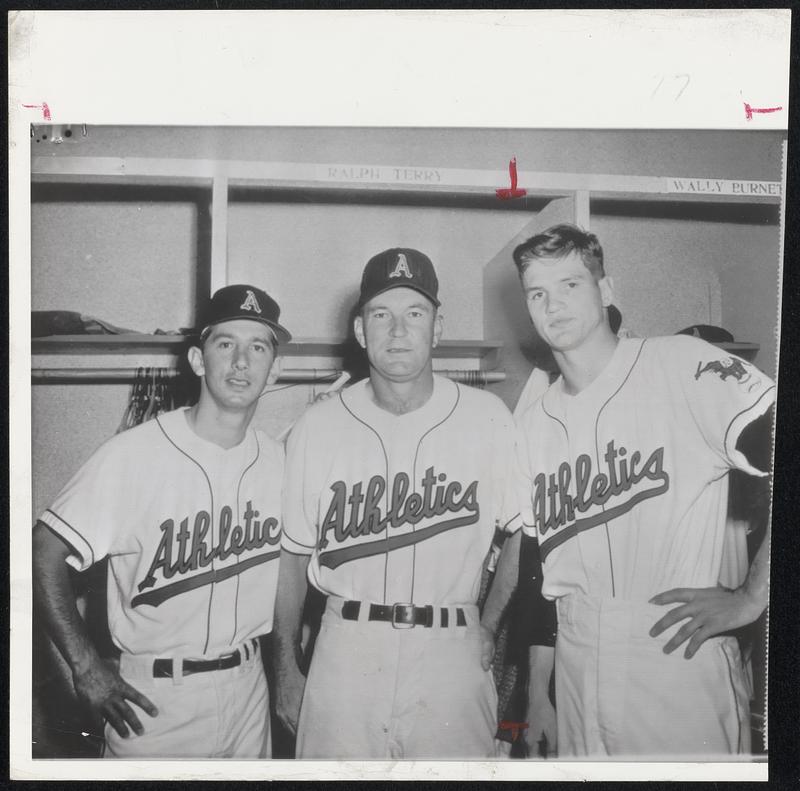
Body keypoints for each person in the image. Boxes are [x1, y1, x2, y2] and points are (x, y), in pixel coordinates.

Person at [502, 223, 774, 758]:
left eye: (571, 285)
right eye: (538, 293)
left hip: (672, 644)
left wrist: (752, 596)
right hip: (576, 658)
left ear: (605, 291)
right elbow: (538, 569)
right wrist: (538, 694)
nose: (553, 305)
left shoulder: (679, 364)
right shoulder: (533, 423)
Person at [272, 247, 532, 759]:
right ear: (360, 330)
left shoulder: (489, 416)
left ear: (437, 329)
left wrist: (490, 624)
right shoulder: (317, 426)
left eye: (415, 314)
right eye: (380, 315)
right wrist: (285, 668)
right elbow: (291, 557)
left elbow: (526, 532)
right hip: (346, 646)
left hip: (451, 646)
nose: (397, 331)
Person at [32, 284, 291, 758]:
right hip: (156, 700)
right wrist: (84, 664)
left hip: (250, 692)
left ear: (275, 369)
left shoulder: (281, 461)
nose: (240, 362)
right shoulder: (131, 454)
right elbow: (42, 550)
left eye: (258, 347)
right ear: (197, 359)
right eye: (225, 343)